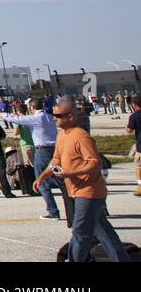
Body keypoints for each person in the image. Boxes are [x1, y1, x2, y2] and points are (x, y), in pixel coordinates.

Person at [35, 100, 131, 261]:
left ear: (70, 117)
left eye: (58, 116)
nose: (54, 119)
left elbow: (95, 163)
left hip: (89, 192)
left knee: (80, 232)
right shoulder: (61, 135)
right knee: (103, 231)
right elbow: (56, 159)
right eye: (53, 115)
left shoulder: (81, 136)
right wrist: (42, 176)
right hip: (77, 190)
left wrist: (70, 173)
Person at [5, 98, 62, 219]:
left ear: (31, 108)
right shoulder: (50, 116)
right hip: (56, 150)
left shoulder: (36, 118)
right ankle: (72, 206)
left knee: (42, 181)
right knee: (60, 178)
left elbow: (14, 119)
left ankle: (53, 211)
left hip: (42, 151)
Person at [127, 96, 141, 197]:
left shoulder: (134, 116)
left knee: (139, 167)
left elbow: (130, 130)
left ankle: (140, 186)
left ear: (134, 105)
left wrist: (126, 127)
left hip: (140, 145)